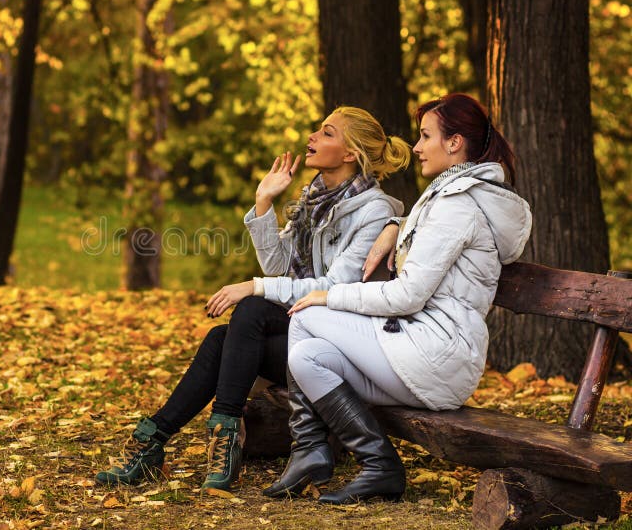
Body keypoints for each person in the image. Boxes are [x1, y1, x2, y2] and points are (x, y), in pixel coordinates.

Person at [96, 107, 413, 491]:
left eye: (326, 133)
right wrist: (263, 202)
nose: (312, 137)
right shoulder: (315, 199)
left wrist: (254, 286)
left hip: (341, 347)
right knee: (222, 337)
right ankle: (163, 440)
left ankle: (190, 439)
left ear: (350, 154)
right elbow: (279, 263)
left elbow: (333, 289)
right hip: (306, 331)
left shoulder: (373, 211)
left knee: (250, 308)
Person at [264, 93, 532, 504]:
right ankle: (364, 461)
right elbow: (427, 236)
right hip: (423, 350)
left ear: (455, 143)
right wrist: (395, 222)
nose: (418, 147)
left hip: (438, 354)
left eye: (426, 137)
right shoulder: (450, 196)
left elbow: (407, 295)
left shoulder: (458, 204)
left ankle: (333, 454)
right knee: (306, 356)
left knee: (306, 317)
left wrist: (330, 295)